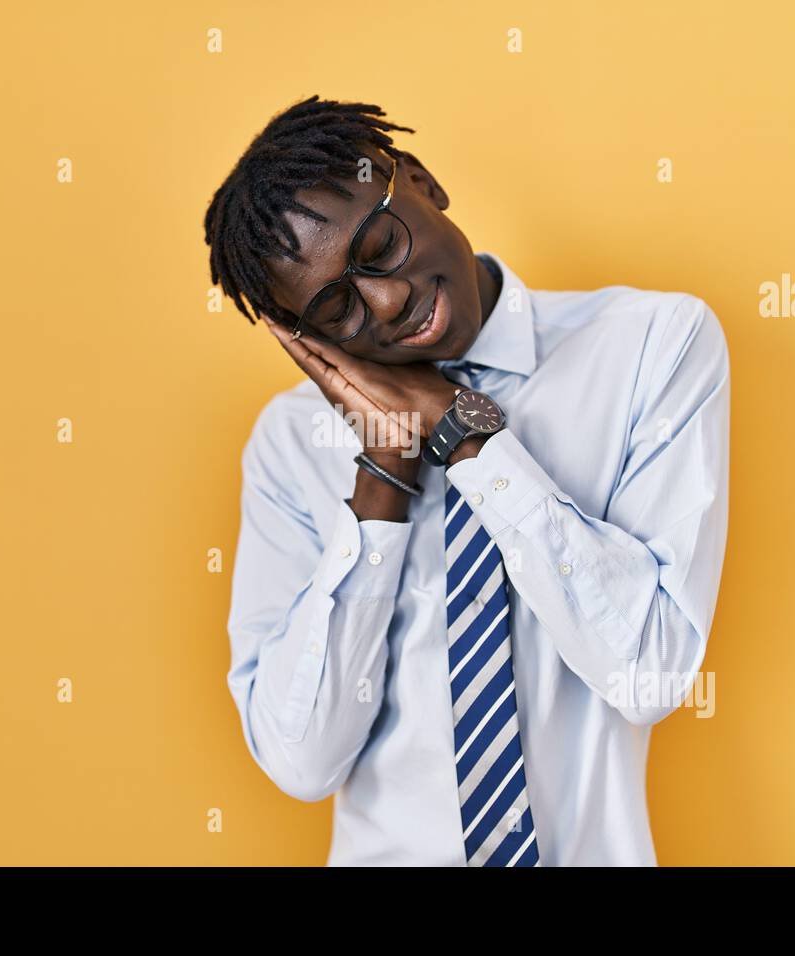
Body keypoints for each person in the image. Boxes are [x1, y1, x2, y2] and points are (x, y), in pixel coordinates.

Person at [203, 95, 730, 866]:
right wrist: (383, 470)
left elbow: (648, 673)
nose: (386, 301)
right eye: (337, 308)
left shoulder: (653, 346)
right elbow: (302, 762)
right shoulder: (289, 445)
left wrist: (463, 431)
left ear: (419, 179)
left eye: (379, 246)